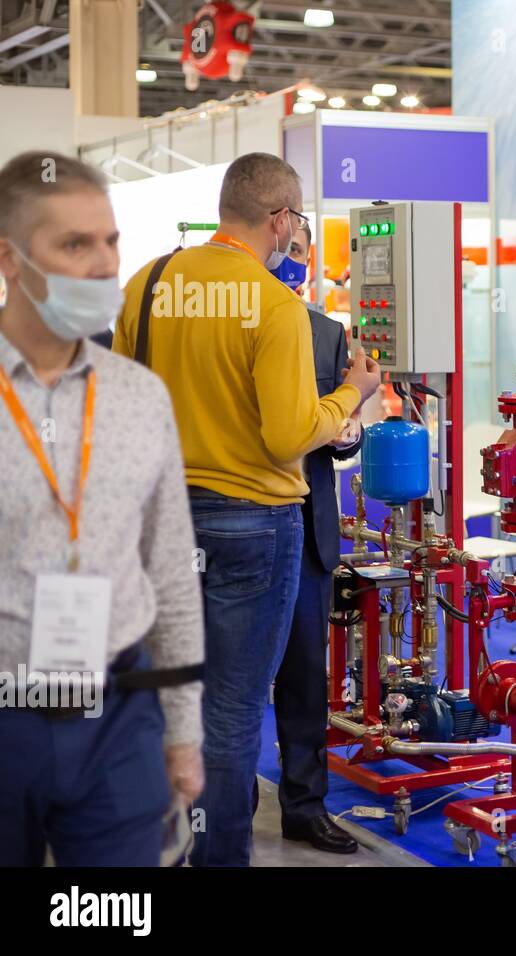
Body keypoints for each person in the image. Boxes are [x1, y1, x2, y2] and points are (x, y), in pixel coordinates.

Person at [113, 151, 382, 867]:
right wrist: (350, 395)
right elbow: (288, 434)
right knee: (231, 715)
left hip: (162, 520)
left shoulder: (147, 284)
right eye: (293, 220)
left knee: (169, 702)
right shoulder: (272, 304)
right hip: (252, 526)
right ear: (280, 219)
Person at [0, 151, 204, 865]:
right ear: (11, 260)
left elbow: (173, 572)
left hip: (119, 711)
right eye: (74, 244)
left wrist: (183, 732)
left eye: (110, 242)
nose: (101, 265)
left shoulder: (137, 396)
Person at [269, 220, 362, 853]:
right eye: (285, 252)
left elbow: (348, 430)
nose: (292, 262)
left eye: (300, 254)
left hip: (306, 534)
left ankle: (305, 806)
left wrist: (346, 433)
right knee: (237, 678)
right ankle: (224, 804)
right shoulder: (233, 322)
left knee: (306, 679)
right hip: (239, 522)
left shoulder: (329, 336)